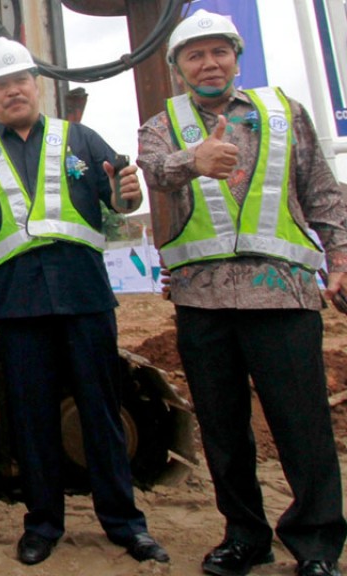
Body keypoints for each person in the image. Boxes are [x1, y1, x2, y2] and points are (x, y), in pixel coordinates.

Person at [0, 37, 169, 567]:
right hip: (19, 305)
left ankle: (125, 525)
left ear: (35, 86)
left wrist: (127, 195)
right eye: (0, 85)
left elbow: (120, 200)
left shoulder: (80, 139)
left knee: (101, 413)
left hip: (84, 296)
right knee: (33, 419)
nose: (12, 91)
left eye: (19, 81)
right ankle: (42, 525)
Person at [137, 10, 347, 576]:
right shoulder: (163, 125)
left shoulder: (283, 115)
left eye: (218, 52)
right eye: (195, 55)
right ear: (177, 67)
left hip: (282, 296)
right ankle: (244, 536)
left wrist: (341, 258)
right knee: (225, 433)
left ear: (236, 56)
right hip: (203, 303)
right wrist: (193, 159)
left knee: (302, 427)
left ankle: (317, 546)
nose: (209, 64)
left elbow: (323, 193)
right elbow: (155, 171)